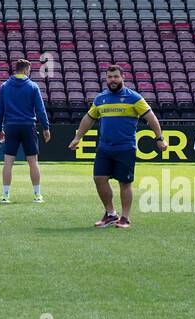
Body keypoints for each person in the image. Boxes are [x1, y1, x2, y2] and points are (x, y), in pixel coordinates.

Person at [69, 64, 165, 229]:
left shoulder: (134, 98)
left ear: (123, 78)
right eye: (109, 77)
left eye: (115, 77)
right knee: (99, 178)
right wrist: (78, 137)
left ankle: (125, 218)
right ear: (106, 79)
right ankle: (111, 214)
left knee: (124, 183)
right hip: (105, 148)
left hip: (125, 148)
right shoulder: (100, 99)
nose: (112, 80)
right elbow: (89, 118)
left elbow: (151, 118)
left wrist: (160, 138)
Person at [0, 57, 51, 203]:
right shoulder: (33, 86)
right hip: (28, 126)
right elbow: (40, 110)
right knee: (33, 162)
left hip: (11, 126)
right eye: (29, 70)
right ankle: (37, 195)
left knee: (8, 163)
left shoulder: (5, 86)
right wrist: (46, 127)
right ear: (25, 70)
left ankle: (5, 195)